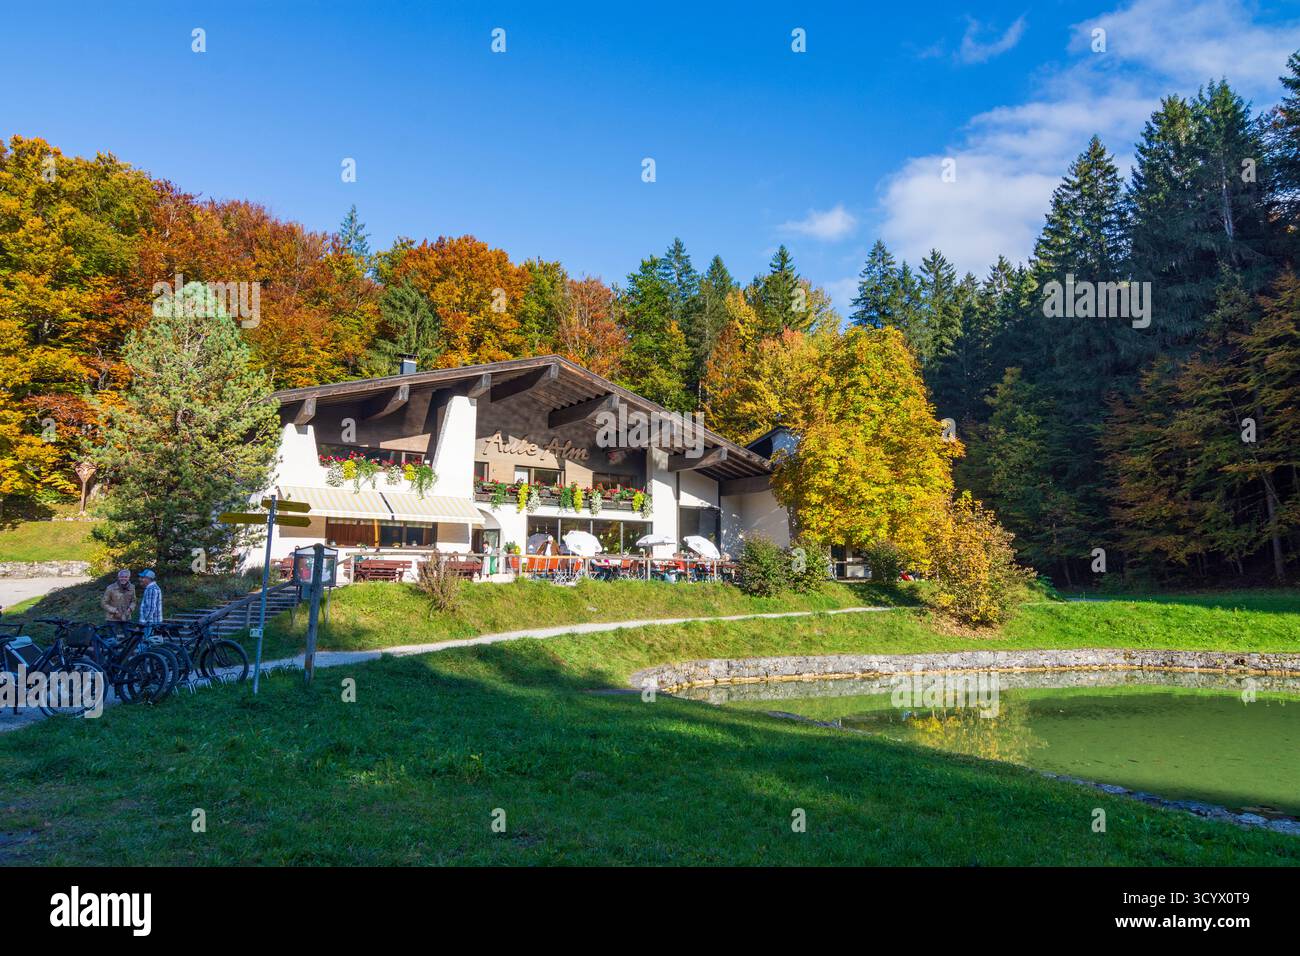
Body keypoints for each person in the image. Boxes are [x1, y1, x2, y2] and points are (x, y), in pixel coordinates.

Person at [101, 569, 136, 635]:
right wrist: (115, 611)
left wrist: (130, 609)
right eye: (122, 577)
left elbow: (133, 601)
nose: (123, 578)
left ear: (129, 577)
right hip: (112, 618)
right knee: (112, 640)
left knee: (128, 637)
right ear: (118, 577)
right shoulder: (110, 588)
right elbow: (104, 603)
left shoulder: (132, 587)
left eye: (126, 577)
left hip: (126, 617)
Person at [137, 569, 163, 635]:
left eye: (142, 577)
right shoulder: (151, 588)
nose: (140, 579)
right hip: (151, 622)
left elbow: (151, 608)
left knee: (146, 642)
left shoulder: (152, 589)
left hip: (150, 623)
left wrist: (143, 622)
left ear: (148, 579)